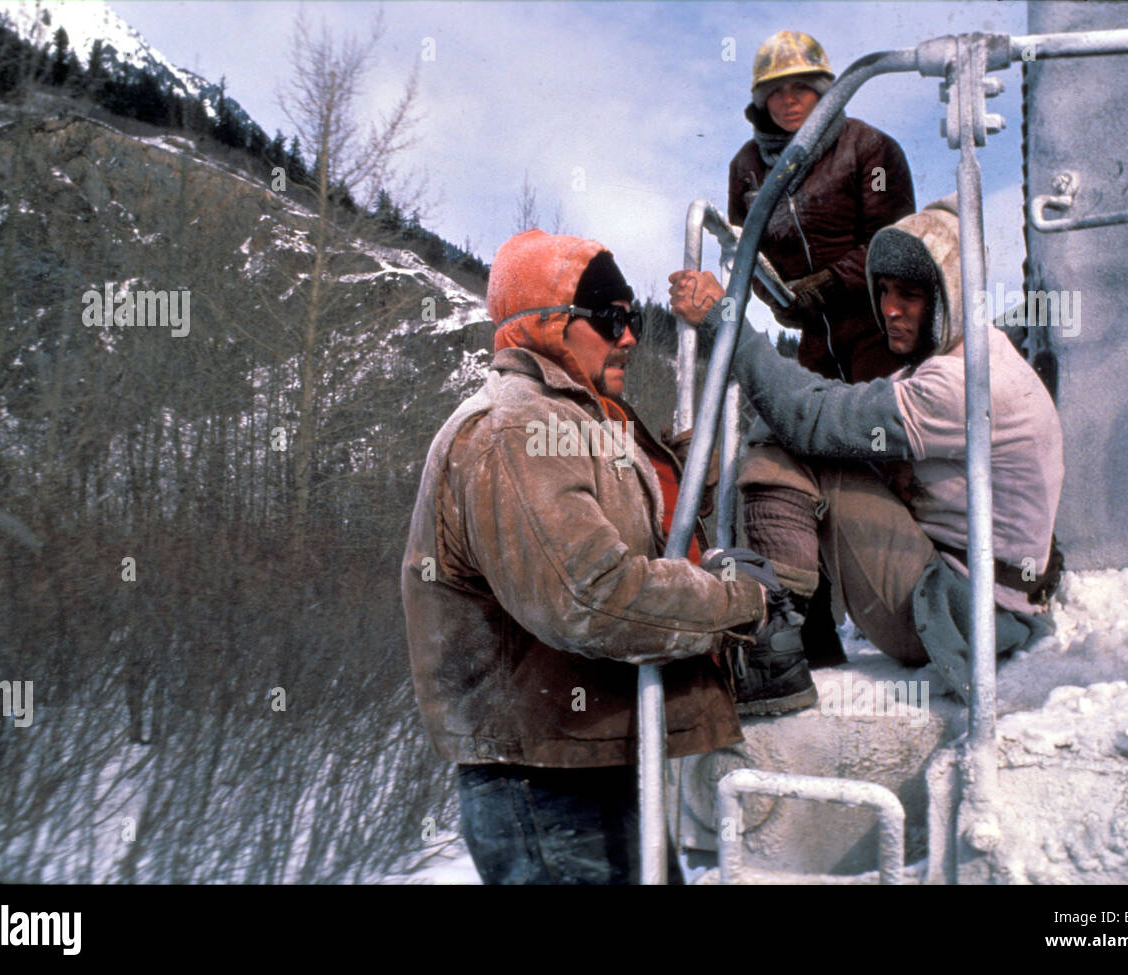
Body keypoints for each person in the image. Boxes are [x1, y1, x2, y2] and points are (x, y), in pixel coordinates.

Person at [401, 230, 802, 885]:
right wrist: (739, 601)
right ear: (547, 324)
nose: (629, 338)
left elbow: (629, 518)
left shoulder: (577, 423)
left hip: (589, 765)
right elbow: (588, 595)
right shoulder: (515, 430)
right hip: (544, 788)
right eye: (611, 319)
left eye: (634, 319)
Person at [669, 196, 1065, 701]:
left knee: (782, 436)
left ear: (952, 297)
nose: (891, 309)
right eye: (882, 291)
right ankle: (799, 633)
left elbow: (806, 417)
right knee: (816, 435)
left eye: (911, 295)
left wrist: (726, 318)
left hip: (963, 615)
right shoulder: (983, 352)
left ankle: (777, 649)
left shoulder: (959, 381)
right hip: (993, 597)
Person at [727, 29, 918, 672]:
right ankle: (811, 632)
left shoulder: (871, 149)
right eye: (776, 92)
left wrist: (823, 288)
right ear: (761, 101)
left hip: (874, 328)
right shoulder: (747, 169)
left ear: (826, 92)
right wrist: (778, 297)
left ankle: (922, 604)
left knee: (888, 457)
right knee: (791, 451)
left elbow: (895, 245)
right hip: (812, 338)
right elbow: (744, 247)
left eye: (802, 88)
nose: (790, 101)